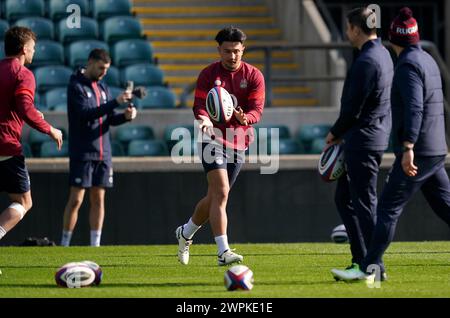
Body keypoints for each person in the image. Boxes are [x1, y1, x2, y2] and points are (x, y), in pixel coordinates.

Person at [331, 7, 450, 282]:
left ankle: (369, 268)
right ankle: (370, 265)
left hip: (418, 151)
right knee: (445, 206)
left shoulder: (407, 64)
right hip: (434, 149)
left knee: (386, 210)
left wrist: (408, 146)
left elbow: (415, 108)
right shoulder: (427, 58)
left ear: (393, 36)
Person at [175, 27, 265, 266]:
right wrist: (203, 120)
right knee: (222, 192)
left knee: (214, 197)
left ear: (243, 50)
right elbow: (200, 106)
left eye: (237, 51)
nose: (232, 56)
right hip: (211, 138)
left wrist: (247, 119)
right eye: (227, 51)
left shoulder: (254, 75)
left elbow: (257, 109)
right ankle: (223, 252)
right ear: (219, 50)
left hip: (239, 141)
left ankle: (185, 232)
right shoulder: (208, 74)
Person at [325, 7, 393, 278]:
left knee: (363, 202)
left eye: (348, 27)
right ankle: (361, 259)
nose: (346, 32)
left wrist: (334, 133)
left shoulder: (367, 60)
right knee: (346, 199)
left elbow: (353, 108)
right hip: (370, 136)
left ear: (355, 28)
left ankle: (374, 267)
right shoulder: (382, 53)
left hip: (363, 140)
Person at [60, 49, 136, 247]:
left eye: (106, 69)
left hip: (104, 152)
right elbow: (86, 114)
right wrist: (115, 102)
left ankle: (96, 245)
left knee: (98, 199)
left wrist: (125, 117)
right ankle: (65, 243)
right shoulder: (75, 86)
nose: (103, 72)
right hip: (83, 151)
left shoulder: (103, 87)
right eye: (101, 68)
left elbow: (108, 119)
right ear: (91, 62)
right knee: (76, 199)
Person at [0, 27, 63, 253]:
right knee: (24, 202)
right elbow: (25, 108)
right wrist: (50, 129)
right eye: (33, 48)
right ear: (24, 48)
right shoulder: (22, 73)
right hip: (6, 147)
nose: (34, 52)